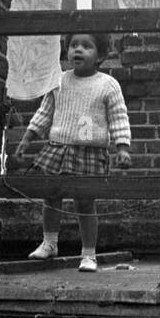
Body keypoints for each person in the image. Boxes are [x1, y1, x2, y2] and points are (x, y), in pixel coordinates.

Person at [18, 32, 131, 271]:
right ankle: (49, 243)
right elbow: (44, 113)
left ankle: (89, 254)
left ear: (100, 56)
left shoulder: (108, 85)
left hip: (90, 152)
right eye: (73, 45)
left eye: (87, 46)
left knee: (85, 202)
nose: (78, 50)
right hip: (57, 147)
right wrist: (28, 138)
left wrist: (122, 148)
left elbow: (119, 118)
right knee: (50, 194)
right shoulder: (58, 81)